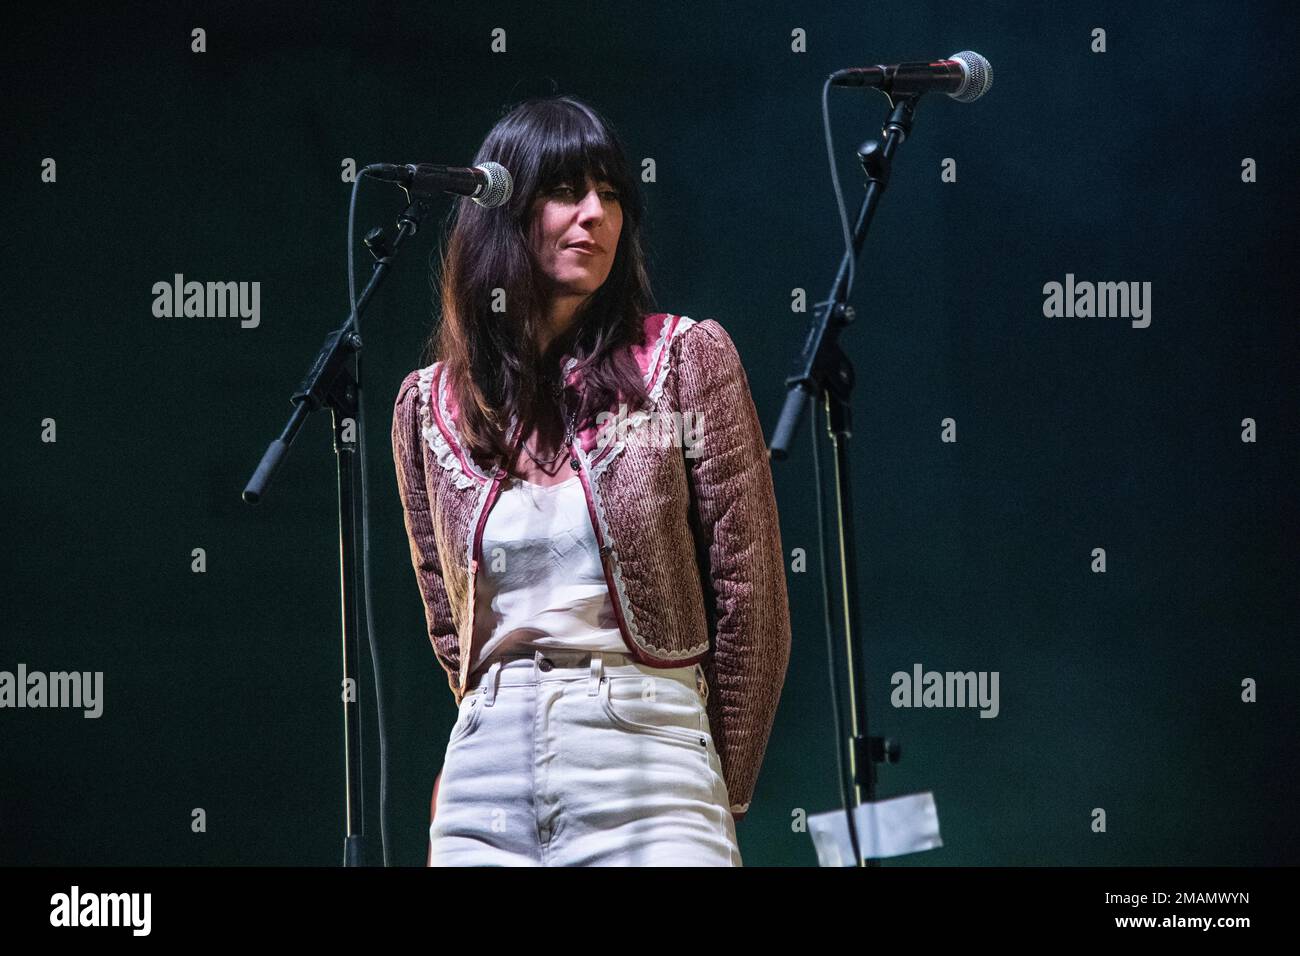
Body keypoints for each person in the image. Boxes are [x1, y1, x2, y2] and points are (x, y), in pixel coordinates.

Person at [390, 95, 791, 866]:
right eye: (566, 192)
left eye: (610, 194)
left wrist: (716, 789)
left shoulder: (683, 361)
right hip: (486, 771)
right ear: (501, 212)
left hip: (651, 754)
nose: (595, 214)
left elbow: (753, 602)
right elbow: (450, 625)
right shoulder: (427, 405)